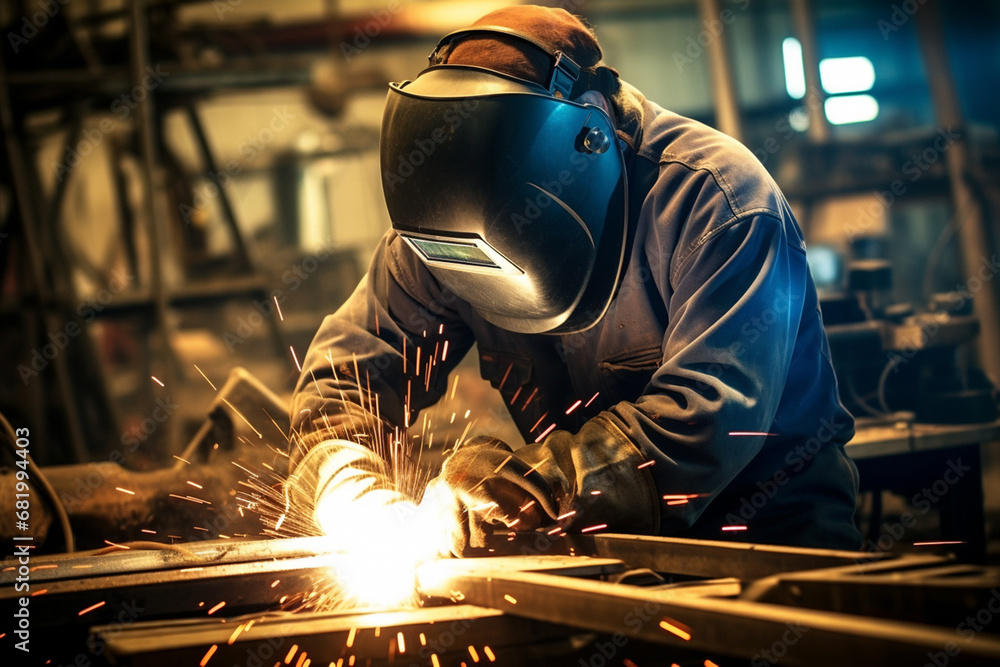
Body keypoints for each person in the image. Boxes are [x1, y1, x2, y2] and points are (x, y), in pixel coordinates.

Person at [288, 5, 861, 554]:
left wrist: (538, 491)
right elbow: (348, 377)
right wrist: (348, 488)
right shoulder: (438, 227)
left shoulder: (718, 204)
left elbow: (709, 422)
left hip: (765, 541)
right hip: (594, 552)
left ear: (593, 135)